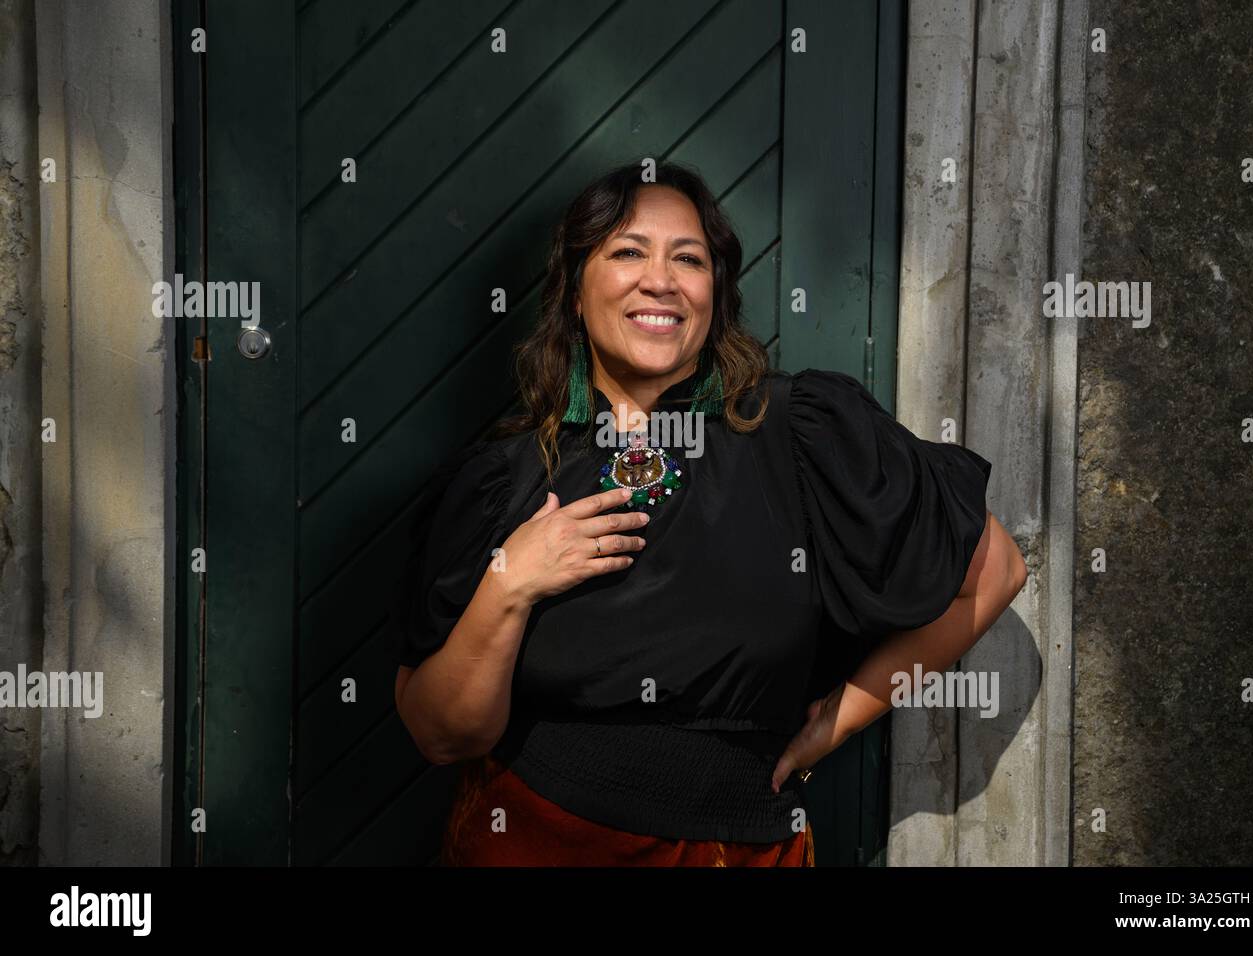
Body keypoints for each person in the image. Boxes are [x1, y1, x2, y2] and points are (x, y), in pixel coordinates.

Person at [392, 160, 1028, 867]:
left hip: (755, 849)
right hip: (544, 839)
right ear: (574, 291)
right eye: (627, 251)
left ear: (715, 294)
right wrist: (511, 586)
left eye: (688, 259)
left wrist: (837, 723)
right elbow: (443, 735)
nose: (660, 279)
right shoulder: (504, 481)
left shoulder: (800, 434)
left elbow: (994, 570)